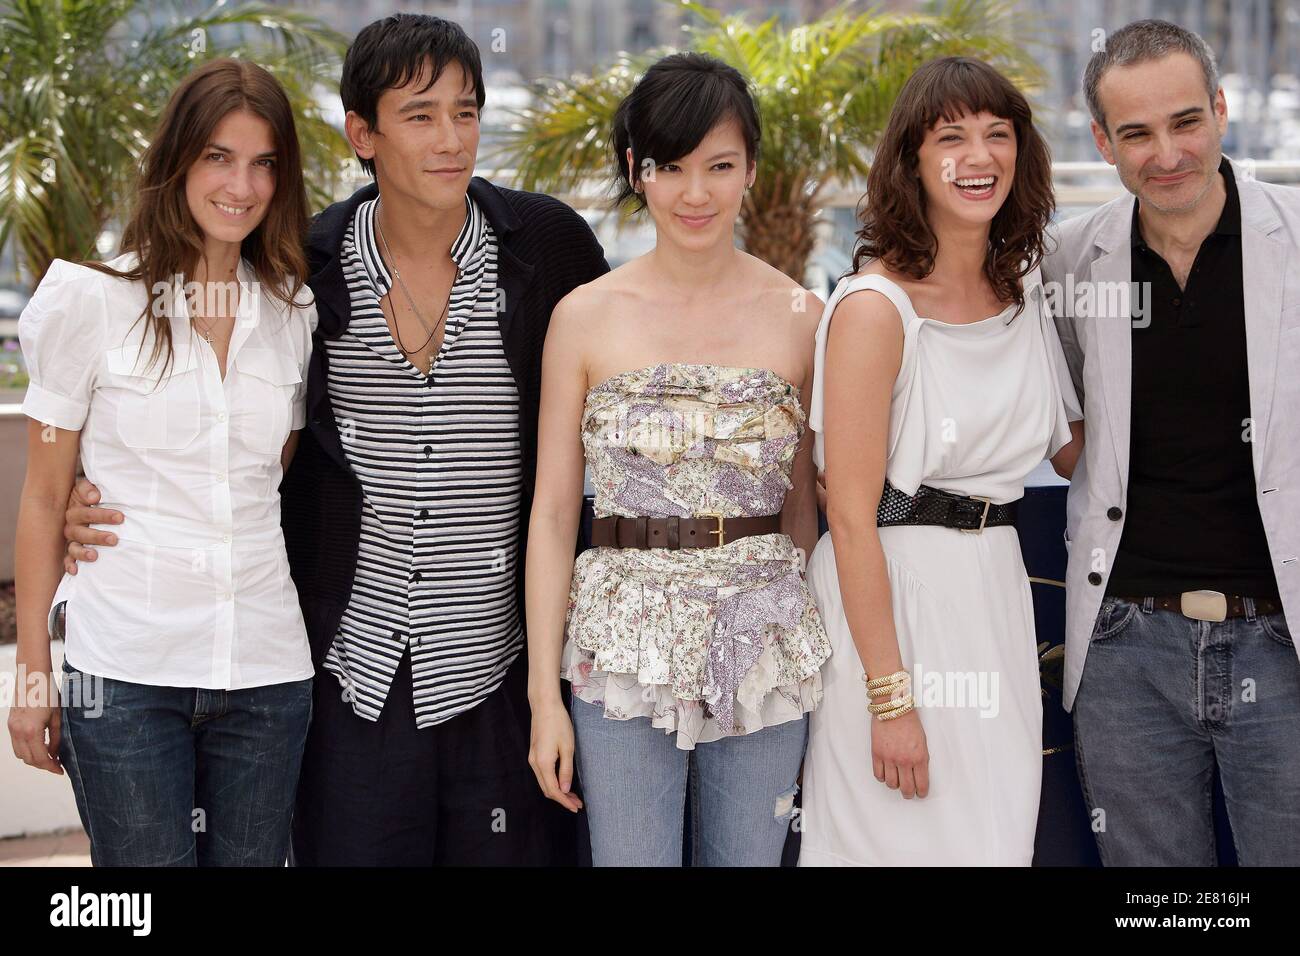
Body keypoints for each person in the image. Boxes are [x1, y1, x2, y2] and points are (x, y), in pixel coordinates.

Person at [60, 14, 608, 866]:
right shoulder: (301, 271)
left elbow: (620, 407)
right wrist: (77, 496)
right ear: (363, 133)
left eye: (466, 112)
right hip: (351, 680)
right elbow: (229, 437)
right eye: (420, 115)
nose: (451, 138)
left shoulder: (547, 246)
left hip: (504, 681)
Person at [525, 52, 831, 867]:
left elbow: (804, 507)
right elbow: (556, 515)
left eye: (720, 167)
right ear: (638, 170)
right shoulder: (584, 317)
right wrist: (542, 702)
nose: (696, 193)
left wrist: (794, 630)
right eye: (671, 167)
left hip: (762, 640)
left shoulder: (805, 317)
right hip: (620, 637)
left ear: (750, 172)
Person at [8, 58, 316, 866]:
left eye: (263, 163)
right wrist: (34, 678)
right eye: (218, 156)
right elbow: (44, 500)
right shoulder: (91, 301)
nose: (241, 186)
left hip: (267, 671)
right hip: (126, 674)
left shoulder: (292, 311)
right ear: (176, 161)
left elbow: (263, 479)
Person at [798, 56, 1083, 866]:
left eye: (999, 135)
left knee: (990, 840)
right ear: (912, 162)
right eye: (950, 137)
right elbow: (849, 517)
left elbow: (1073, 451)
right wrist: (891, 701)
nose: (979, 156)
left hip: (993, 591)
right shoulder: (874, 307)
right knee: (889, 841)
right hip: (892, 599)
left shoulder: (1022, 290)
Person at [1044, 19, 1300, 866]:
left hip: (1284, 636)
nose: (1167, 153)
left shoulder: (1295, 240)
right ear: (1102, 143)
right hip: (1128, 647)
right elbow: (1063, 424)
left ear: (1221, 111)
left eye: (1186, 121)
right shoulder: (1072, 262)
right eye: (1137, 134)